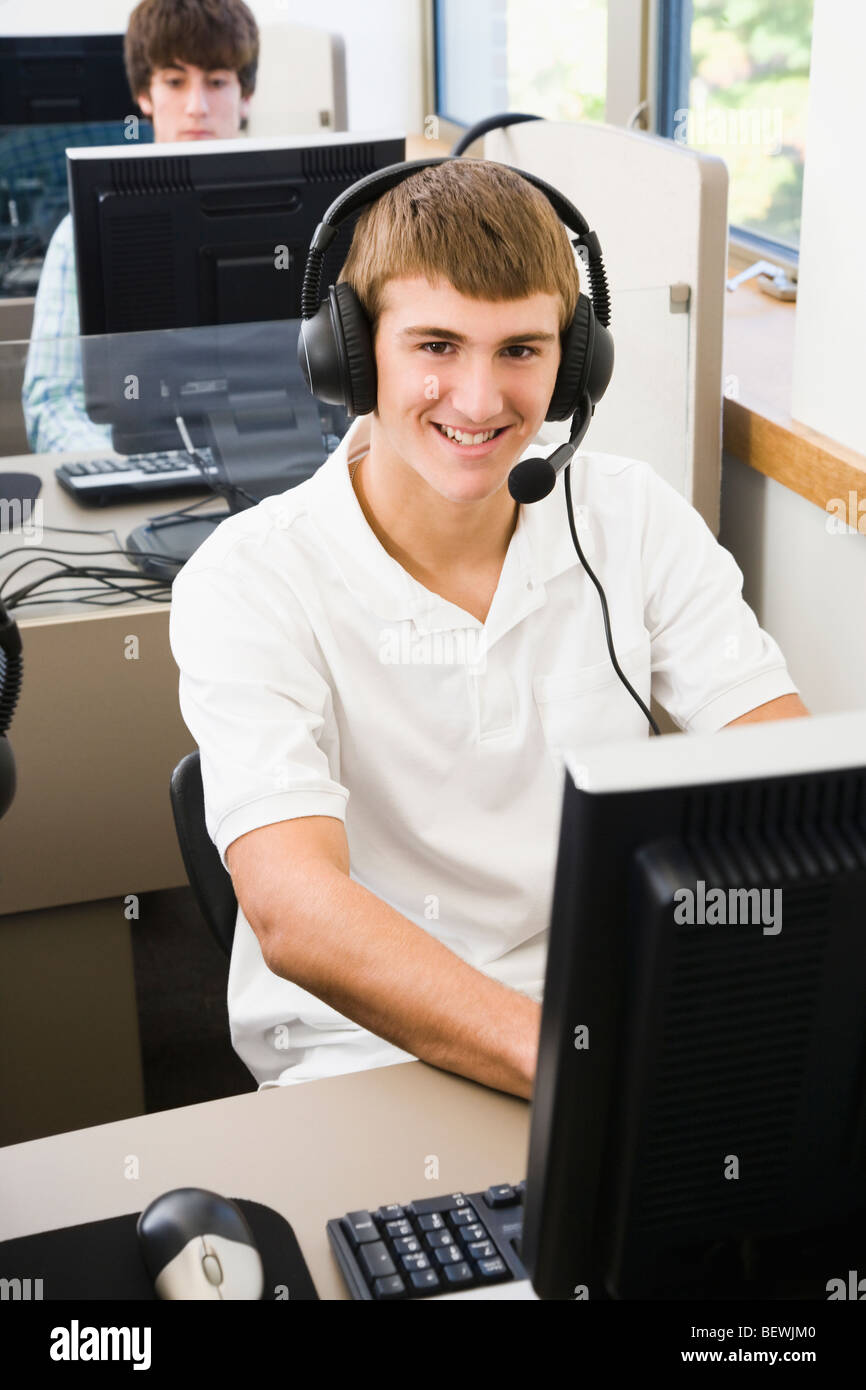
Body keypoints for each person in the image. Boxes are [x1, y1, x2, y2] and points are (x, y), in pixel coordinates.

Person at [169, 158, 809, 1099]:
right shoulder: (250, 576)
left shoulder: (632, 518)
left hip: (613, 1010)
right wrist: (573, 1061)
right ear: (351, 353)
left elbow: (787, 780)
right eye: (435, 344)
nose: (478, 401)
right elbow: (294, 911)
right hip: (369, 1050)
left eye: (520, 350)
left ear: (573, 363)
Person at [22, 0, 259, 454]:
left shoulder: (322, 223)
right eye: (174, 81)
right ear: (144, 95)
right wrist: (120, 473)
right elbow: (52, 401)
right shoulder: (79, 237)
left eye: (216, 81)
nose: (196, 106)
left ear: (245, 96)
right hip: (138, 483)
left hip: (286, 484)